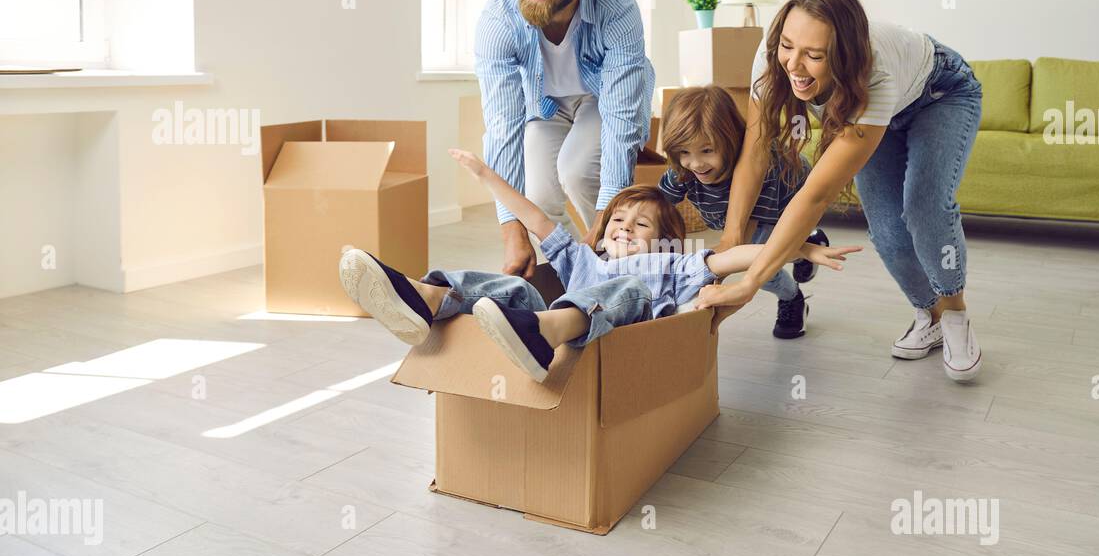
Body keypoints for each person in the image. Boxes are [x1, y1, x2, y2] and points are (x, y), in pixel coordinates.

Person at [338, 150, 861, 383]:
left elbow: (732, 257)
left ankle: (545, 332)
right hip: (545, 321)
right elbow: (536, 219)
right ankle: (426, 297)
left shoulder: (672, 264)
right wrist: (485, 174)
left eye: (640, 226)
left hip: (615, 335)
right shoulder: (584, 258)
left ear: (664, 240)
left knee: (627, 291)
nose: (624, 229)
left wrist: (797, 249)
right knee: (510, 288)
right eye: (618, 222)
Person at [695, 0, 985, 381]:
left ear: (844, 58)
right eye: (788, 45)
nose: (794, 65)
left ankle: (954, 313)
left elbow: (816, 196)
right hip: (884, 105)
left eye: (814, 55)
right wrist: (730, 242)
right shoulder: (771, 60)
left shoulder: (874, 77)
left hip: (940, 94)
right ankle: (929, 313)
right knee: (886, 231)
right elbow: (756, 151)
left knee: (923, 207)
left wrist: (750, 283)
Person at [476, 0, 654, 279]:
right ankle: (581, 270)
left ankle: (626, 267)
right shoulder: (499, 18)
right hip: (544, 104)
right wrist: (513, 231)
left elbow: (620, 118)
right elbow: (503, 126)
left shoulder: (616, 5)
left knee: (577, 171)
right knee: (538, 197)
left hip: (601, 97)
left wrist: (607, 219)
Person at [656, 85, 829, 339]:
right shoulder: (682, 172)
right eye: (684, 152)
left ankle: (793, 297)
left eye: (707, 150)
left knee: (759, 264)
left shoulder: (763, 169)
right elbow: (657, 207)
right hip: (735, 217)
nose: (696, 163)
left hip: (785, 199)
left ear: (730, 141)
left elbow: (744, 237)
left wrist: (712, 277)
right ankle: (806, 246)